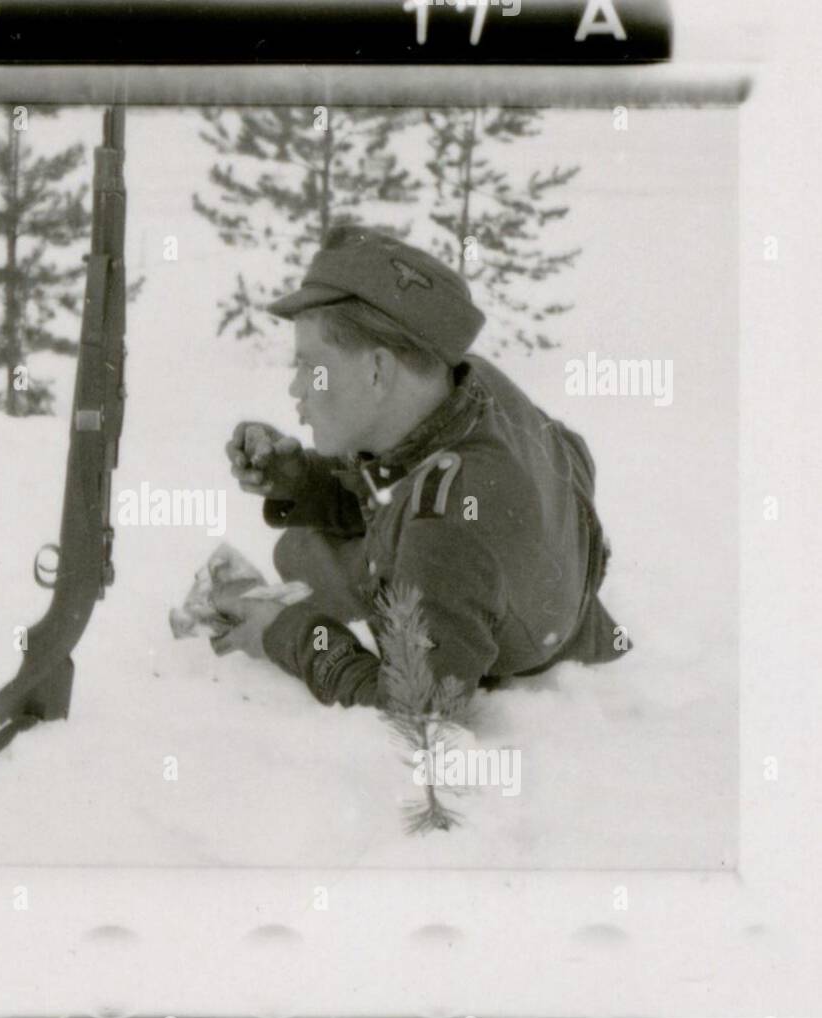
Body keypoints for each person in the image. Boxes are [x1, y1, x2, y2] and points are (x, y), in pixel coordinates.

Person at [215, 225, 628, 708]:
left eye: (311, 367)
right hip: (553, 532)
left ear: (377, 371)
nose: (296, 389)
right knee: (303, 549)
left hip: (536, 626)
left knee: (304, 560)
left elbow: (419, 707)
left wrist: (285, 632)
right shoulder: (459, 381)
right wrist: (302, 480)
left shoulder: (446, 527)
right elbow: (402, 473)